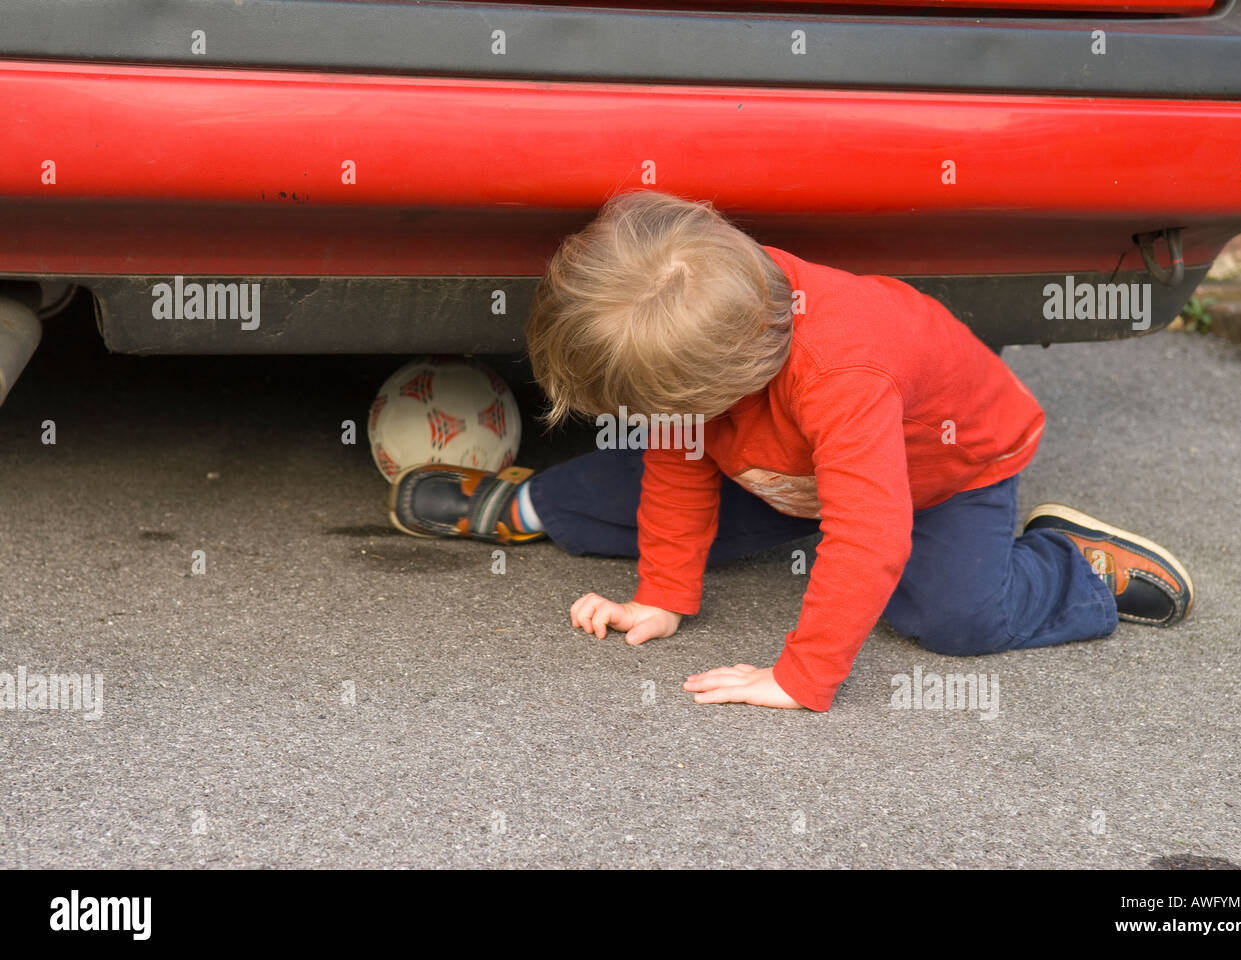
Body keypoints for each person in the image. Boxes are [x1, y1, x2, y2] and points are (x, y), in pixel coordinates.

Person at [386, 190, 1193, 712]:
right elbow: (677, 462)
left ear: (724, 381)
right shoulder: (710, 333)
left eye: (654, 410)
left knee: (953, 613)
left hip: (939, 477)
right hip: (786, 469)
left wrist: (798, 676)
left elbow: (871, 532)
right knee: (648, 497)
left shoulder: (845, 371)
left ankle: (1071, 567)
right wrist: (664, 594)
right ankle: (534, 501)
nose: (652, 424)